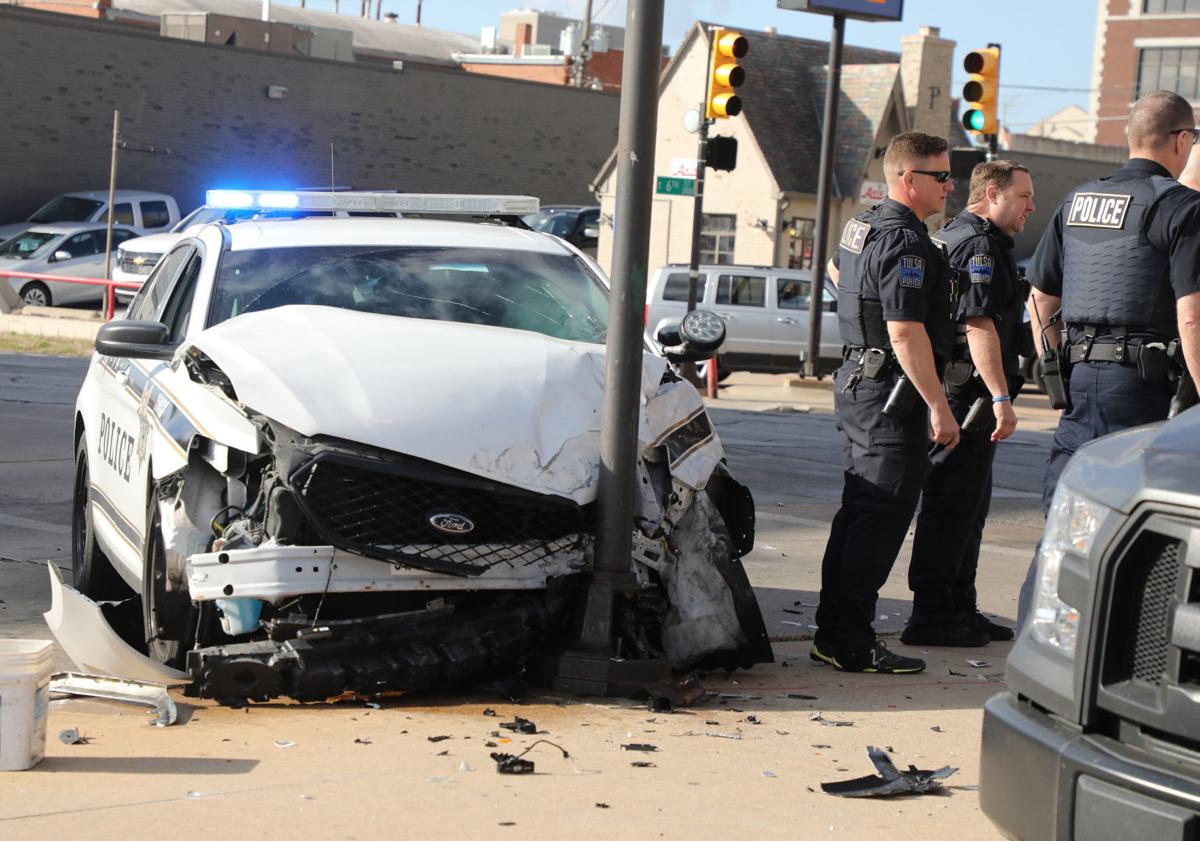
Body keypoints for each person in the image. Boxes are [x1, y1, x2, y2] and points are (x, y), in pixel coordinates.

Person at [1018, 91, 1200, 626]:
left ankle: (1040, 635)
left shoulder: (1077, 200)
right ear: (1181, 140)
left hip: (1081, 381)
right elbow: (1192, 318)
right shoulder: (1183, 208)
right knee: (1138, 527)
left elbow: (1040, 297)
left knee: (1067, 514)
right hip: (1143, 389)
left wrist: (1054, 368)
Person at [811, 132, 959, 674]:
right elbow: (904, 330)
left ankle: (833, 633)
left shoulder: (863, 223)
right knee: (880, 515)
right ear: (908, 179)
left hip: (859, 381)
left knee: (859, 509)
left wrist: (862, 326)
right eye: (941, 176)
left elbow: (836, 273)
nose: (950, 185)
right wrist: (939, 405)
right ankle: (850, 640)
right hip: (888, 394)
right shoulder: (906, 242)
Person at [902, 161, 1035, 647]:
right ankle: (932, 616)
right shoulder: (978, 245)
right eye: (1024, 196)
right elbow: (978, 325)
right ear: (993, 194)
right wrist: (1000, 396)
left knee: (969, 507)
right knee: (952, 506)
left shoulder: (954, 234)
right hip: (968, 394)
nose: (1031, 206)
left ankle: (960, 608)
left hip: (957, 390)